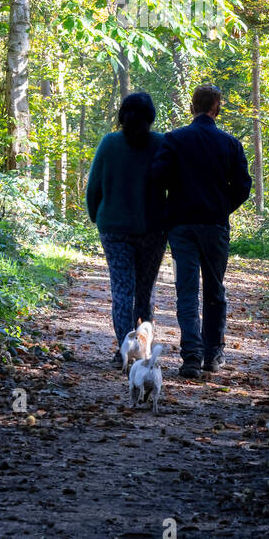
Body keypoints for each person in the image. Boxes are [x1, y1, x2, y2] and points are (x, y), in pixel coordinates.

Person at [150, 83, 251, 379]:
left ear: (192, 107)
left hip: (181, 226)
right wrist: (222, 207)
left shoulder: (175, 139)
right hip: (215, 226)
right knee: (215, 291)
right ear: (216, 108)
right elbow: (243, 187)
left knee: (187, 290)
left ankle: (191, 357)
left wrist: (173, 204)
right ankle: (213, 355)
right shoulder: (230, 144)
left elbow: (157, 177)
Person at [86, 91, 167, 367]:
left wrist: (96, 216)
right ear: (151, 117)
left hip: (115, 229)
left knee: (122, 291)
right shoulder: (161, 144)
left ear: (122, 116)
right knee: (144, 292)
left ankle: (125, 350)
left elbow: (93, 187)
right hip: (152, 230)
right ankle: (143, 351)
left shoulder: (109, 144)